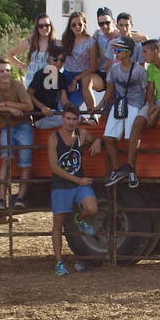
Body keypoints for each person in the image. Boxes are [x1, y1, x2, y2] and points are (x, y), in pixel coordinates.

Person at [49, 103, 101, 276]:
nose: (71, 122)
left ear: (78, 120)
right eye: (68, 118)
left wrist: (97, 142)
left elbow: (96, 139)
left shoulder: (81, 134)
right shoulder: (54, 138)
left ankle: (80, 218)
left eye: (74, 119)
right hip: (62, 185)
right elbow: (54, 168)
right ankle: (59, 262)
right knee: (58, 223)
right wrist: (78, 179)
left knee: (92, 208)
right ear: (63, 119)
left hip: (79, 184)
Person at [94, 35, 150, 184]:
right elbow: (110, 90)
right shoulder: (113, 69)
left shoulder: (140, 71)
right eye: (115, 50)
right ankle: (118, 170)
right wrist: (98, 106)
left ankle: (131, 169)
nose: (116, 53)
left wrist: (147, 110)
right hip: (119, 105)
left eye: (119, 50)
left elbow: (147, 92)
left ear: (128, 52)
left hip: (135, 105)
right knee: (108, 138)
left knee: (132, 137)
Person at [0, 56, 35, 209]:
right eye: (1, 71)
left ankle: (20, 198)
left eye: (7, 70)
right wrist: (9, 109)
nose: (5, 74)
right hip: (7, 126)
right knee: (6, 160)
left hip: (23, 125)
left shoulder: (17, 85)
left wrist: (8, 103)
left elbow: (29, 106)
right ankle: (1, 199)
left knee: (25, 163)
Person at [59, 11, 98, 113]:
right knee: (61, 107)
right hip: (66, 76)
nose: (77, 27)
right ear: (70, 27)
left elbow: (93, 66)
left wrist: (77, 78)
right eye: (74, 25)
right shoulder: (65, 40)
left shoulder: (91, 42)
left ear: (84, 24)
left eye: (80, 24)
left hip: (82, 78)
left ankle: (92, 115)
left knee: (72, 106)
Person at [29, 44, 68, 131]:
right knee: (70, 121)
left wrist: (75, 112)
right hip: (41, 118)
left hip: (55, 115)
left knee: (75, 119)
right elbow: (29, 94)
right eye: (55, 59)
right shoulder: (40, 74)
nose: (58, 62)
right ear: (49, 59)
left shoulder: (61, 77)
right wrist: (42, 107)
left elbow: (64, 100)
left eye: (62, 60)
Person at [13, 14, 57, 87]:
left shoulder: (56, 43)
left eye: (47, 25)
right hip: (32, 83)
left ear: (51, 26)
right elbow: (10, 54)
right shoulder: (31, 41)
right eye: (40, 26)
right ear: (37, 28)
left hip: (49, 83)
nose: (44, 28)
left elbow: (62, 62)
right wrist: (22, 66)